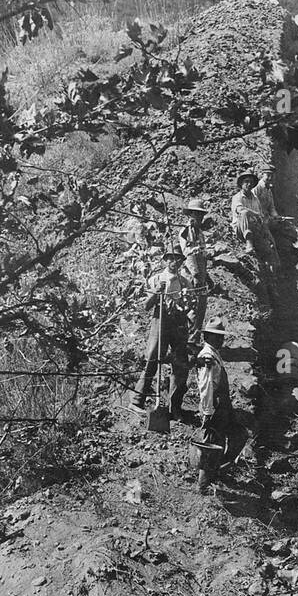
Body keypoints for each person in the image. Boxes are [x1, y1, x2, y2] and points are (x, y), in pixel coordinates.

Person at [130, 245, 190, 419]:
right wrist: (157, 293)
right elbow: (146, 306)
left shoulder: (185, 282)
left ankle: (175, 407)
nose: (174, 262)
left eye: (178, 259)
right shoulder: (156, 279)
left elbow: (192, 307)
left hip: (178, 324)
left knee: (180, 364)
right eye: (170, 258)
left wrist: (186, 302)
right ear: (165, 260)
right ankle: (136, 401)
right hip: (160, 322)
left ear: (181, 261)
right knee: (152, 359)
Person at [193, 318, 234, 492]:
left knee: (222, 440)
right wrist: (208, 411)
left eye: (221, 337)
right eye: (217, 337)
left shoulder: (213, 353)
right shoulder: (207, 357)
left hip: (221, 404)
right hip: (215, 406)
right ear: (208, 336)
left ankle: (216, 472)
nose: (221, 340)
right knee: (210, 444)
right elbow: (206, 386)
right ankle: (203, 485)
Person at [229, 169, 280, 272]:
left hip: (255, 228)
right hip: (241, 229)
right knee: (244, 213)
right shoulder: (237, 197)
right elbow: (240, 210)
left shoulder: (255, 198)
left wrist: (266, 233)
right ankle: (249, 243)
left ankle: (273, 274)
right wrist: (255, 214)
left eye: (251, 182)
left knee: (269, 248)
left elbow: (260, 217)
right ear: (241, 184)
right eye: (246, 182)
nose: (248, 184)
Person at [178, 198, 210, 344]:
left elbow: (202, 255)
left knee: (201, 305)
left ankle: (195, 337)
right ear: (190, 214)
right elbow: (189, 254)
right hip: (191, 274)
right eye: (195, 214)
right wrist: (197, 275)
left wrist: (206, 277)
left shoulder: (199, 232)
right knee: (191, 306)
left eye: (200, 214)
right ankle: (188, 339)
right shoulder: (186, 232)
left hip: (201, 274)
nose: (198, 217)